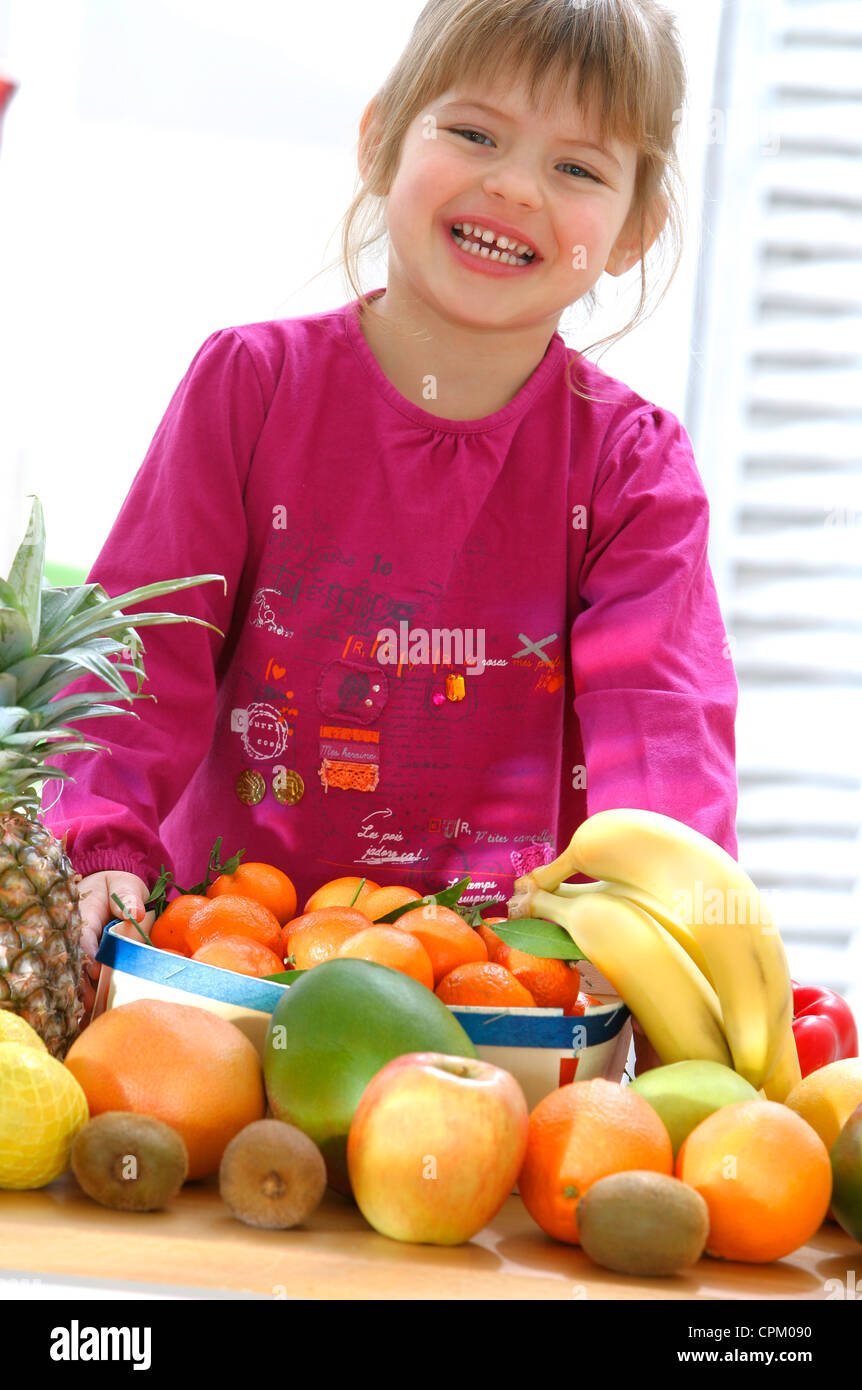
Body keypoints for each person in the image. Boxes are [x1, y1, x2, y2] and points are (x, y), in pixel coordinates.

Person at [44, 0, 738, 1036]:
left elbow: (662, 737)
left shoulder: (632, 467)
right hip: (219, 969)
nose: (512, 186)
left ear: (633, 231)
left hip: (496, 1002)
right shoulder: (250, 384)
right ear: (380, 140)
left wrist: (659, 934)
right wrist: (101, 847)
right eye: (473, 133)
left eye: (577, 169)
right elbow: (141, 655)